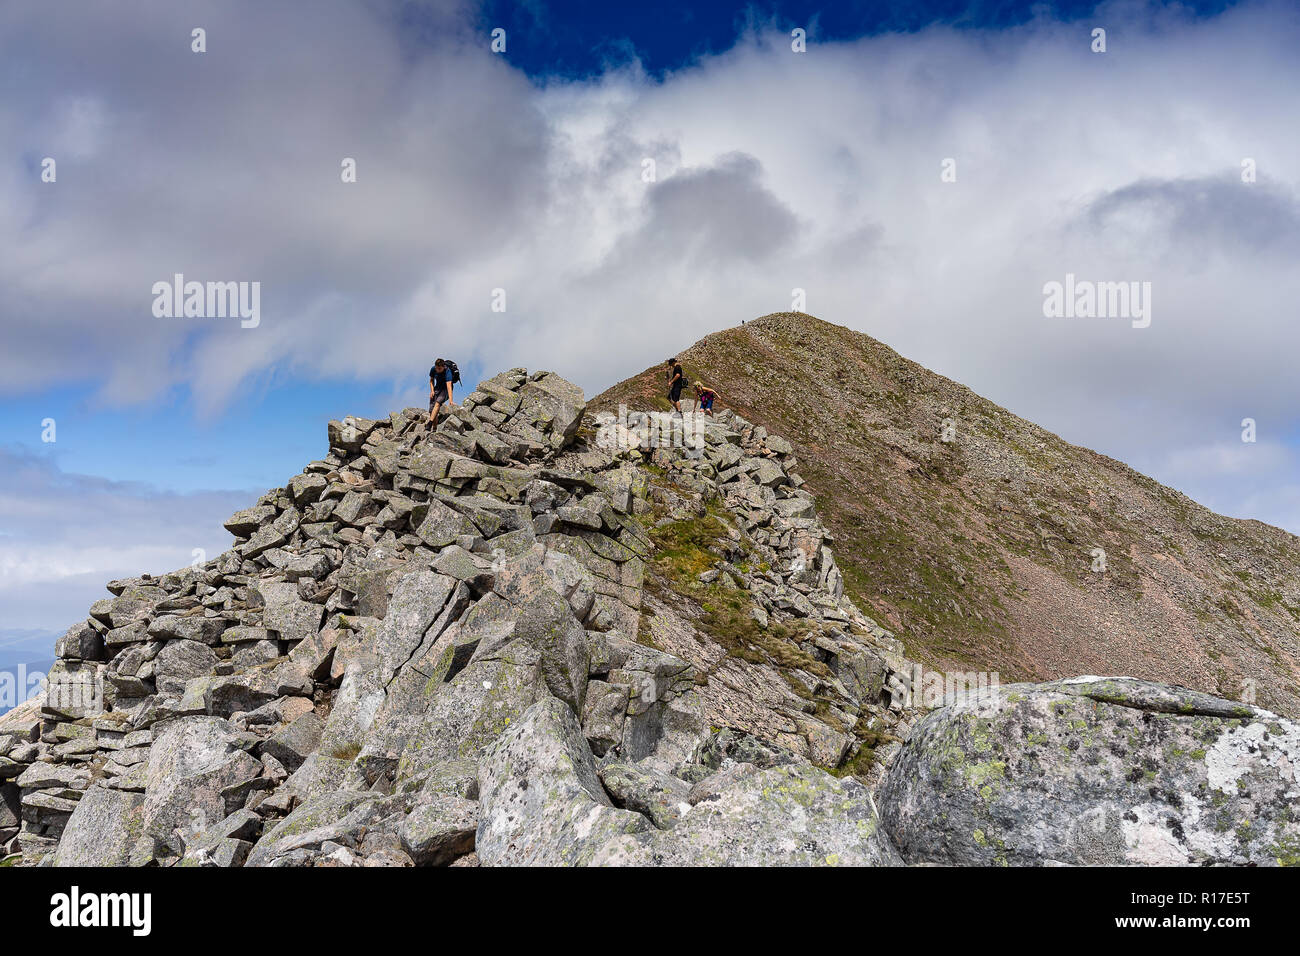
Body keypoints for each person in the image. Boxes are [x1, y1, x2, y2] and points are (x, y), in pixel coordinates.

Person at [429, 358, 454, 428]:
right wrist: (432, 391)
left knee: (437, 403)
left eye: (439, 369)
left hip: (446, 389)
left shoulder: (448, 372)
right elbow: (431, 380)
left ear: (443, 367)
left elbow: (449, 387)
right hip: (437, 388)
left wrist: (451, 401)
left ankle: (429, 423)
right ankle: (434, 429)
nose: (438, 370)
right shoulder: (433, 369)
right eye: (437, 368)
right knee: (431, 411)